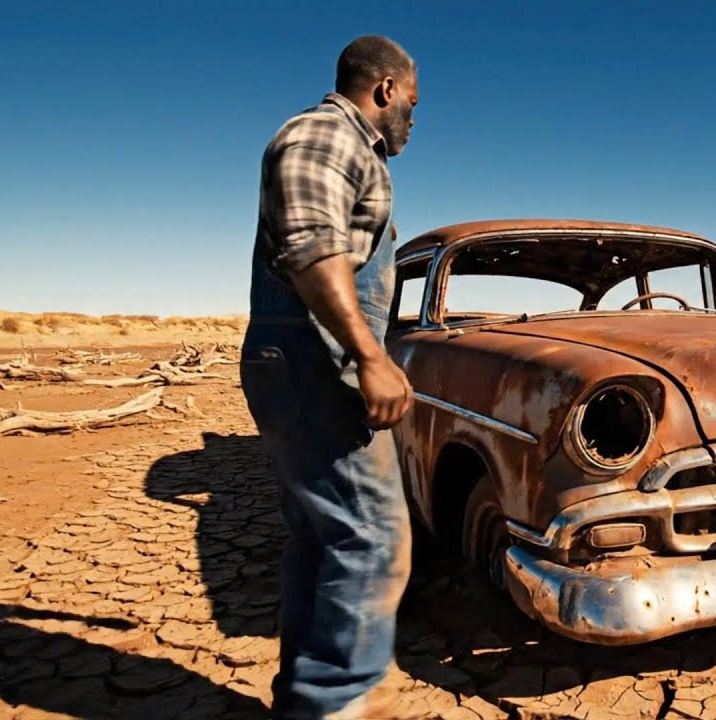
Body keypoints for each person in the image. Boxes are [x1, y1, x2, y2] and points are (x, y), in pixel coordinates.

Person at [240, 35, 419, 719]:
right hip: (317, 360)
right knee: (373, 536)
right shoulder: (323, 136)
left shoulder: (338, 146)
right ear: (383, 89)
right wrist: (371, 357)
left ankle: (303, 697)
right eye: (411, 102)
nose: (412, 117)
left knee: (324, 535)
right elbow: (313, 247)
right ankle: (334, 704)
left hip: (301, 356)